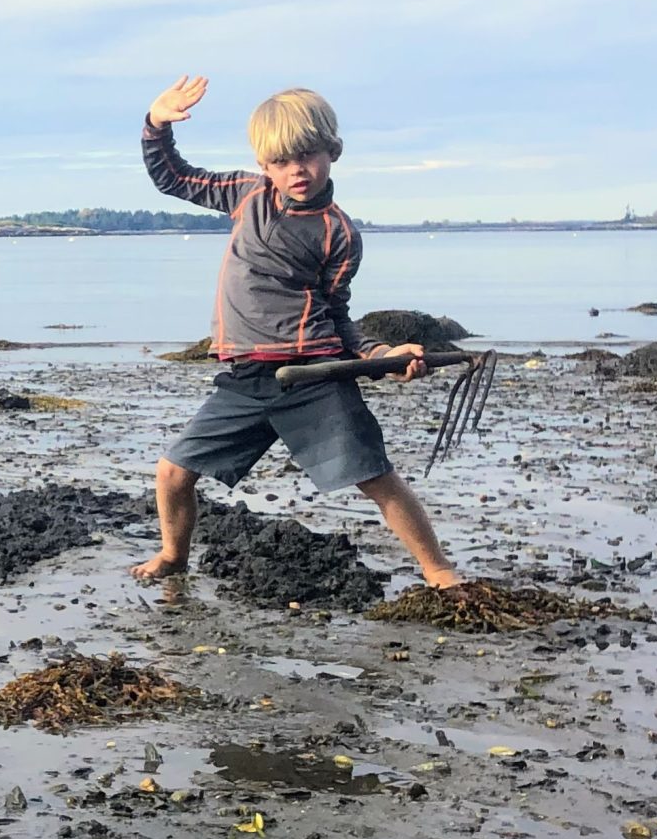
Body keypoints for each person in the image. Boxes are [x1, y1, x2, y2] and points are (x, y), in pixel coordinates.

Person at [132, 77, 459, 589]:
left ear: (332, 151)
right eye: (281, 161)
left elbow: (338, 313)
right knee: (173, 474)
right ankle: (174, 555)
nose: (296, 170)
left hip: (314, 376)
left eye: (307, 155)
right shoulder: (245, 195)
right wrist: (156, 124)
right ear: (264, 165)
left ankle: (437, 568)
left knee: (376, 476)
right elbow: (173, 177)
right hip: (245, 378)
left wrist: (382, 354)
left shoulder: (339, 232)